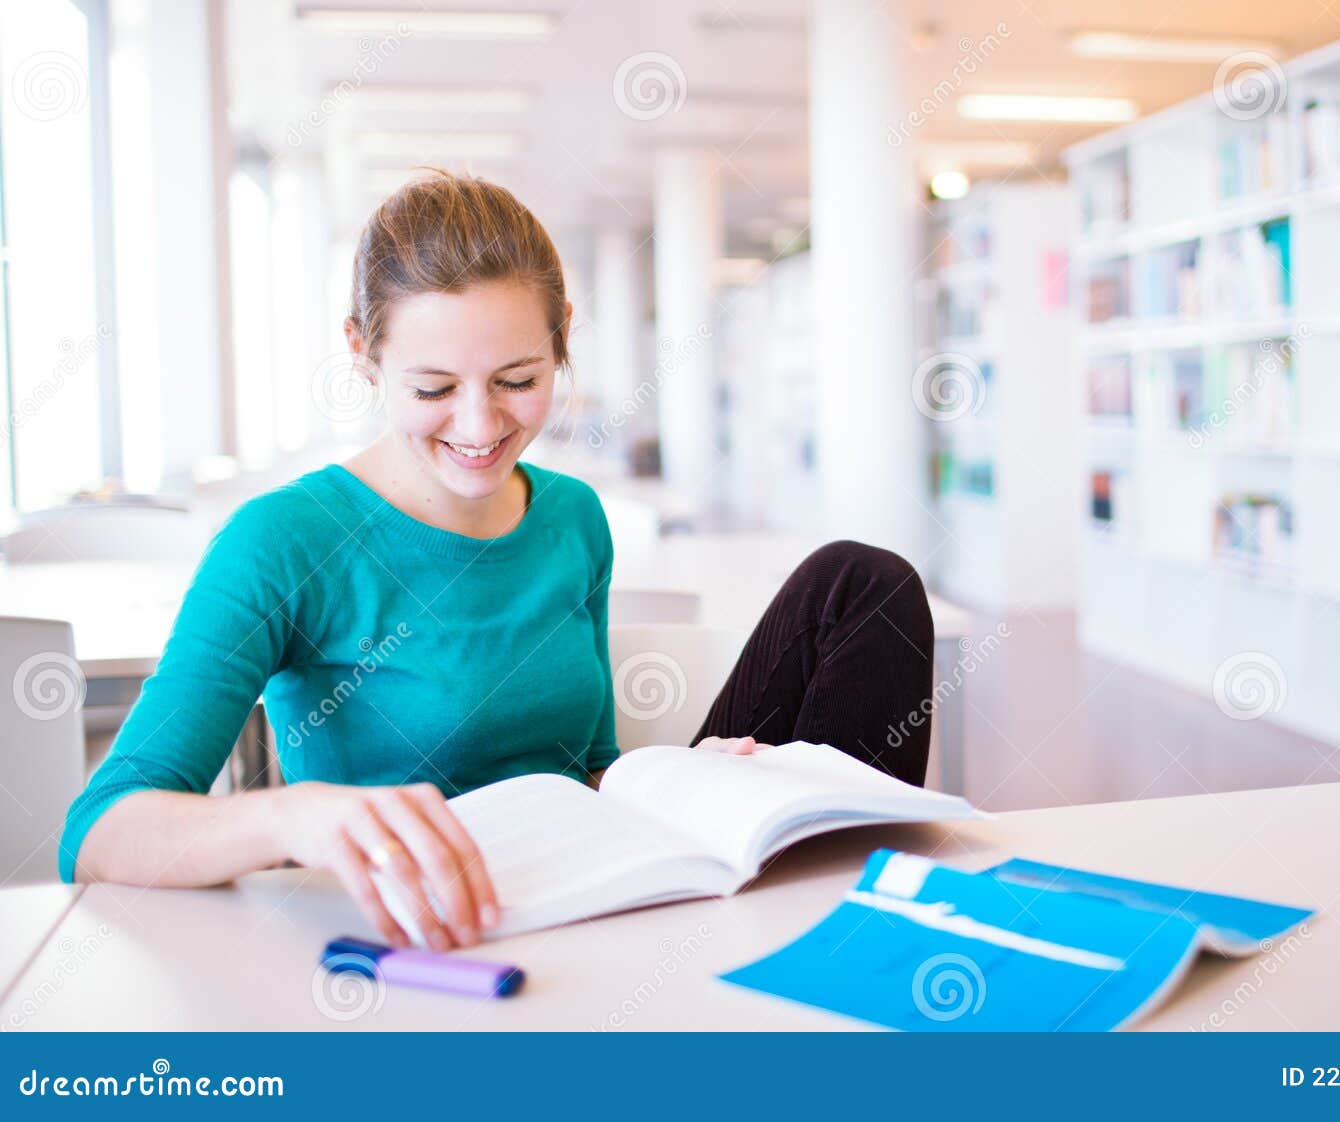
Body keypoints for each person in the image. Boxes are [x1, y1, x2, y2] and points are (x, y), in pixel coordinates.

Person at [60, 170, 935, 952]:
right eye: (433, 389)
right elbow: (96, 832)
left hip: (598, 889)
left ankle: (850, 939)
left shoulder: (573, 517)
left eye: (518, 379)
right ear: (364, 354)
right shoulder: (281, 541)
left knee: (864, 587)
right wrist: (297, 818)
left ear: (562, 340)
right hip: (434, 937)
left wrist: (696, 783)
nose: (480, 430)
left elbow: (588, 760)